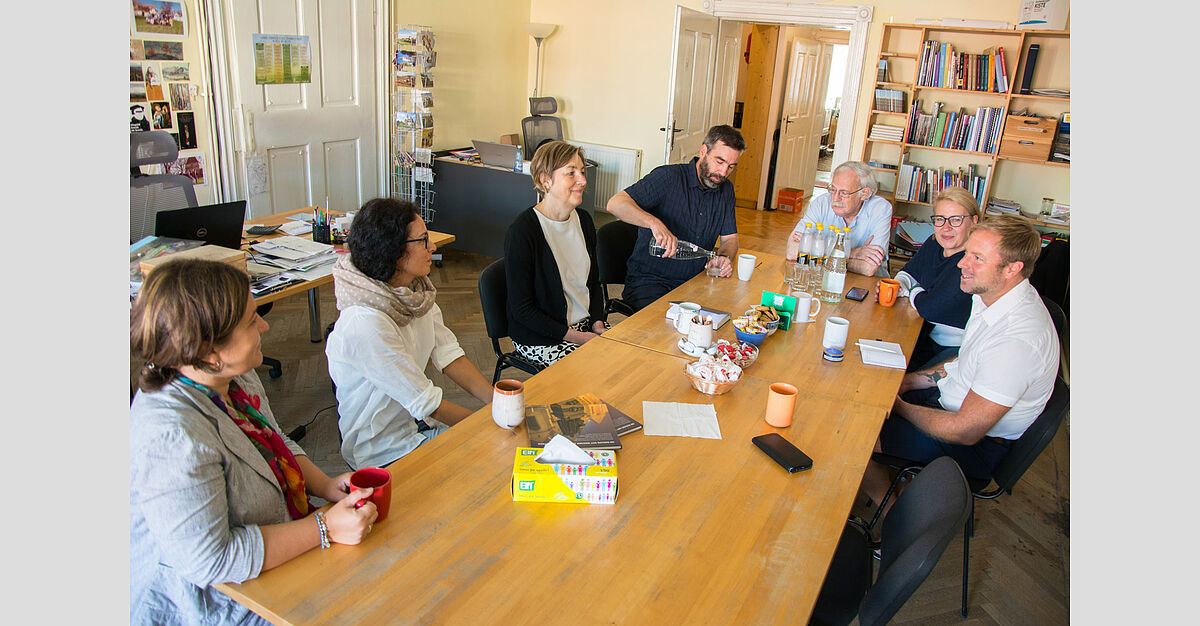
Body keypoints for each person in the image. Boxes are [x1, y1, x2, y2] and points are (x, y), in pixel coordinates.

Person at [130, 259, 375, 624]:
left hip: (272, 553)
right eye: (251, 321)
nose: (265, 324)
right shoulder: (173, 435)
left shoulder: (232, 377)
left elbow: (273, 441)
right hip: (209, 604)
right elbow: (213, 561)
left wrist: (325, 486)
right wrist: (323, 528)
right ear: (209, 350)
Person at [862, 215, 1059, 506]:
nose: (961, 264)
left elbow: (964, 431)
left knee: (852, 435)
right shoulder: (993, 294)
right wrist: (909, 382)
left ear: (1012, 269)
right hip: (949, 404)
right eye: (968, 252)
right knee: (865, 393)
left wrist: (900, 407)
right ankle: (900, 486)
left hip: (972, 445)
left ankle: (894, 520)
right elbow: (967, 359)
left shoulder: (1017, 343)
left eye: (977, 258)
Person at [326, 198, 493, 470]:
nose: (433, 247)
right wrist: (487, 425)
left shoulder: (413, 293)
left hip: (412, 429)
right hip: (381, 453)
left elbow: (448, 354)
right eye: (423, 240)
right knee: (490, 461)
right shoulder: (365, 322)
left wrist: (498, 403)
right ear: (394, 252)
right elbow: (428, 404)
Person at [606, 124, 744, 311]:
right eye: (719, 162)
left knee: (731, 316)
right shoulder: (668, 178)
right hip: (651, 283)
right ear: (703, 151)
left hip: (696, 282)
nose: (723, 173)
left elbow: (730, 239)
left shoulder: (725, 190)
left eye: (731, 166)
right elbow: (615, 203)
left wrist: (724, 258)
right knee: (671, 331)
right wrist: (654, 223)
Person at [504, 140, 608, 367]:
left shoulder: (584, 221)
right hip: (542, 336)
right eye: (571, 173)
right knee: (596, 369)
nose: (582, 180)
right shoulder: (523, 231)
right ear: (545, 179)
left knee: (630, 359)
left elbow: (593, 282)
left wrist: (598, 323)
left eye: (582, 171)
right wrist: (578, 338)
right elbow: (522, 310)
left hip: (585, 326)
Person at [884, 186, 980, 370]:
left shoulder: (969, 262)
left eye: (956, 220)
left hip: (954, 351)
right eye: (940, 219)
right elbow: (907, 273)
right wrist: (901, 286)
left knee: (897, 381)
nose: (946, 228)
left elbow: (928, 309)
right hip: (923, 334)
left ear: (974, 221)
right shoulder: (934, 242)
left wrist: (911, 290)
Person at [786, 161, 892, 276]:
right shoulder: (821, 203)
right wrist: (853, 253)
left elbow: (868, 268)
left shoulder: (880, 209)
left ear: (864, 193)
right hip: (822, 279)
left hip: (865, 285)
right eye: (833, 189)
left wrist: (815, 252)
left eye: (844, 193)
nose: (835, 198)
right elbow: (792, 252)